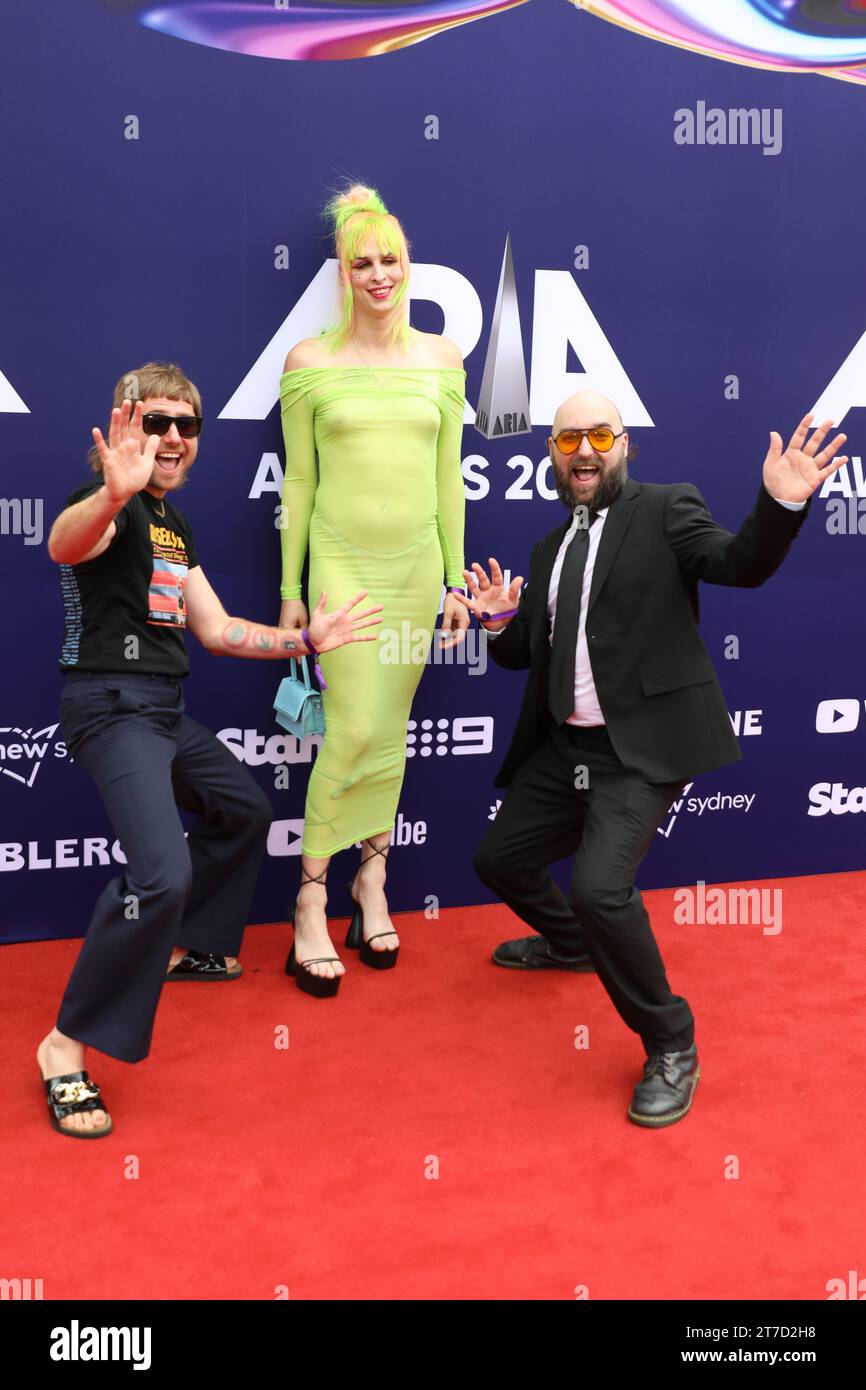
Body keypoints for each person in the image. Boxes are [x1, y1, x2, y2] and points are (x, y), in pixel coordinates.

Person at [457, 391, 847, 1127]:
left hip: (638, 751)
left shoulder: (666, 508)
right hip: (565, 745)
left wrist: (780, 506)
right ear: (551, 451)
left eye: (599, 435)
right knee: (498, 860)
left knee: (601, 889)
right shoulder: (550, 548)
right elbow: (527, 659)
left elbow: (740, 565)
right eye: (568, 439)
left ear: (625, 443)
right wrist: (501, 625)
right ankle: (572, 946)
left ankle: (672, 1041)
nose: (584, 451)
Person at [37, 362, 382, 1137]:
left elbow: (219, 631)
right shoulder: (105, 506)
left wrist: (305, 639)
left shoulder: (173, 525)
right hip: (108, 706)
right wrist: (114, 493)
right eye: (155, 422)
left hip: (163, 711)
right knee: (160, 874)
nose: (170, 438)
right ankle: (64, 1048)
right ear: (123, 423)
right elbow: (63, 547)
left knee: (244, 809)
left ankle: (192, 945)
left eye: (185, 426)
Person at [278, 183, 469, 997]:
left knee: (387, 728)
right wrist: (291, 589)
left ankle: (373, 881)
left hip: (416, 571)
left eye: (391, 259)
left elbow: (448, 483)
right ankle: (311, 900)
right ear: (342, 273)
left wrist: (457, 580)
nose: (380, 274)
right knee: (351, 728)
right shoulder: (309, 364)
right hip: (343, 570)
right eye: (364, 262)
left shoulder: (442, 360)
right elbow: (299, 483)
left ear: (409, 263)